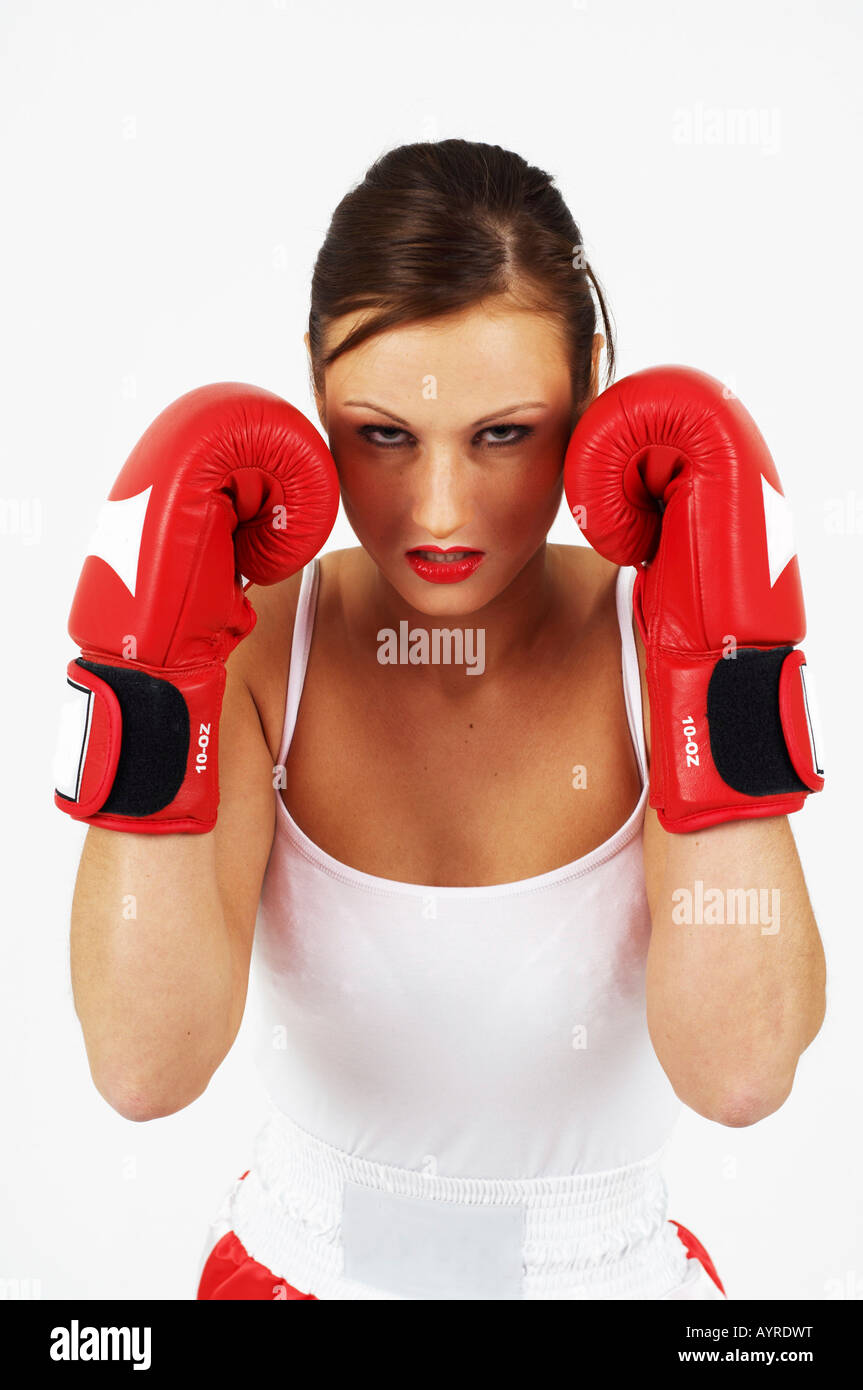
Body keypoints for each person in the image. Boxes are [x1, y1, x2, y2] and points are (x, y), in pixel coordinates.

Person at [58, 139, 826, 1300]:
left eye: (502, 433)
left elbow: (740, 1074)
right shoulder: (260, 641)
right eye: (382, 433)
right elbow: (141, 1068)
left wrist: (716, 670)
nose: (438, 511)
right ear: (311, 391)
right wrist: (151, 678)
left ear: (593, 393)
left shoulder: (651, 646)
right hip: (290, 1275)